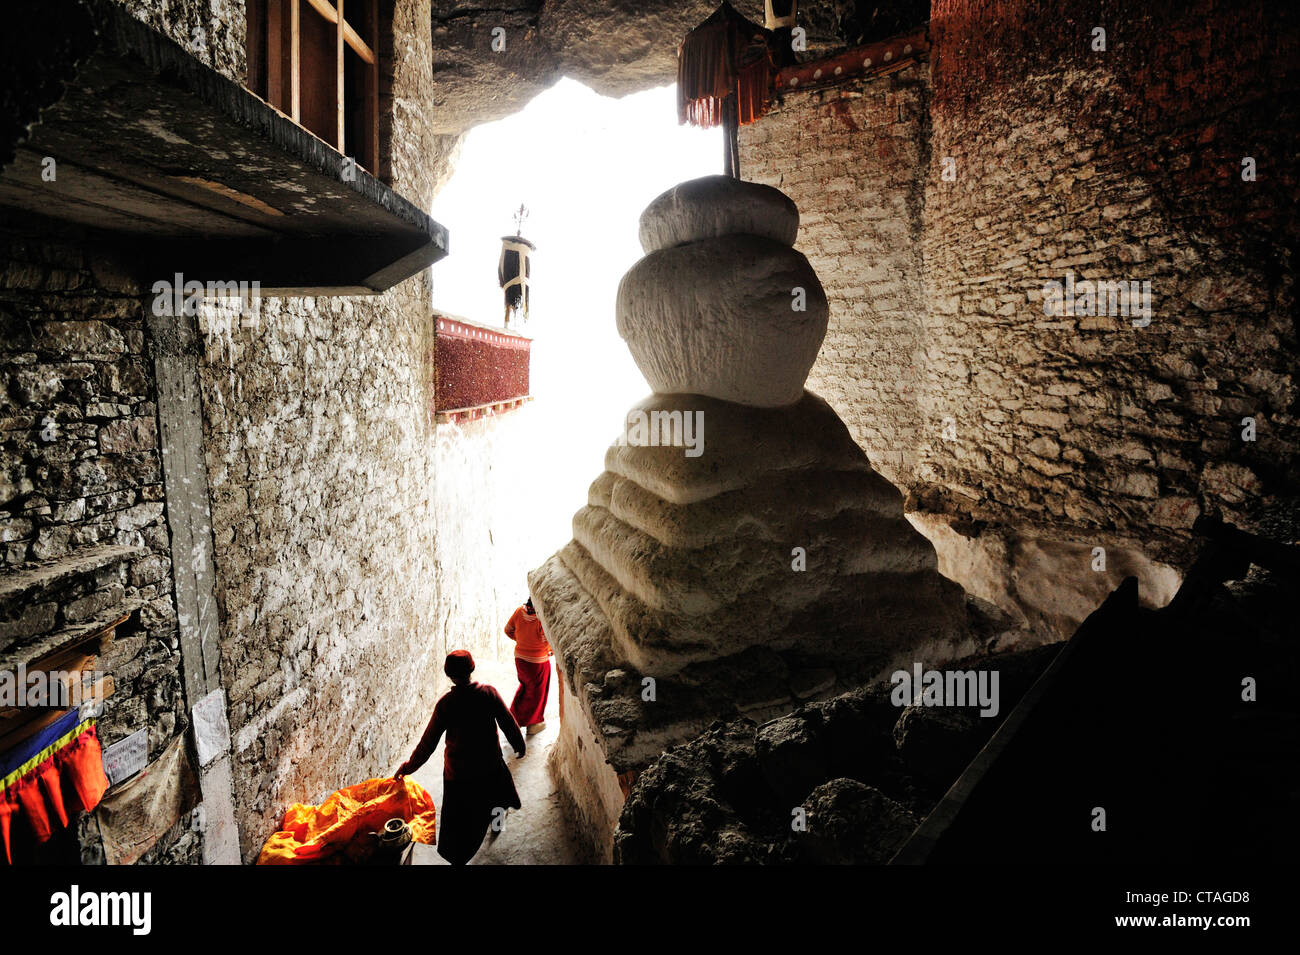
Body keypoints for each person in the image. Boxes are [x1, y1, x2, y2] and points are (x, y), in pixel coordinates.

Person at [395, 650, 525, 865]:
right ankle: (497, 825)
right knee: (497, 798)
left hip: (459, 773)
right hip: (489, 764)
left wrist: (408, 767)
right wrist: (518, 744)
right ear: (472, 669)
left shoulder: (446, 704)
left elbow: (428, 743)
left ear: (449, 675)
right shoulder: (488, 693)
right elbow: (507, 721)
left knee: (462, 817)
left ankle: (459, 857)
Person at [504, 597, 552, 734]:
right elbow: (545, 642)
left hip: (520, 659)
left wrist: (520, 640)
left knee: (525, 688)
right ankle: (533, 724)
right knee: (537, 694)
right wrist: (550, 650)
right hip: (537, 663)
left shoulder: (519, 611)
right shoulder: (540, 619)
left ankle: (513, 719)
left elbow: (508, 630)